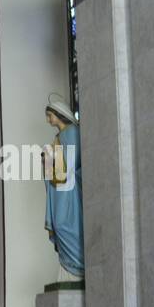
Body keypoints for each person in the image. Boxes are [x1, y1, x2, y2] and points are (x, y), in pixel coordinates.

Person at [43, 99, 84, 283]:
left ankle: (80, 266)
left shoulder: (73, 133)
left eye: (49, 115)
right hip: (60, 190)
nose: (48, 120)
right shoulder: (59, 137)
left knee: (64, 225)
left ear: (59, 115)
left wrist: (51, 157)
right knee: (60, 226)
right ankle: (70, 269)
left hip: (71, 190)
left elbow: (72, 163)